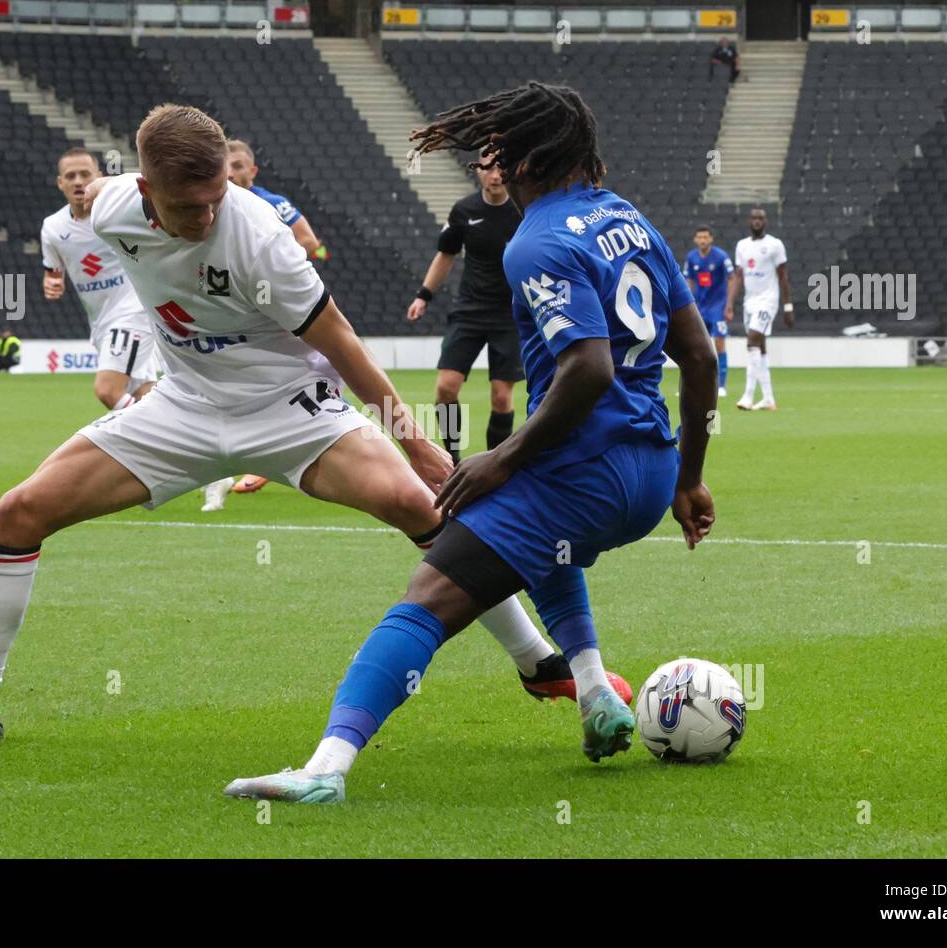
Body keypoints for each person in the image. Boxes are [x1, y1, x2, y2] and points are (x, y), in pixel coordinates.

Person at [0, 103, 628, 745]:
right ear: (145, 191)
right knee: (19, 511)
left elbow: (342, 345)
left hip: (288, 409)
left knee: (416, 505)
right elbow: (88, 196)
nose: (206, 216)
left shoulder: (259, 234)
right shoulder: (110, 205)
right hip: (181, 407)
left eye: (216, 199)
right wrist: (76, 206)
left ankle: (541, 665)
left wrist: (416, 440)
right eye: (187, 206)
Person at [224, 81, 718, 804]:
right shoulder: (630, 220)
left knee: (427, 596)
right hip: (651, 472)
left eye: (497, 154)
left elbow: (589, 368)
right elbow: (700, 357)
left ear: (524, 160)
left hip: (582, 470)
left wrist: (500, 457)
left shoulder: (537, 242)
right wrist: (689, 480)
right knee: (531, 540)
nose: (490, 168)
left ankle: (326, 769)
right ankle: (592, 691)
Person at [224, 139, 328, 499]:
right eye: (227, 165)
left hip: (276, 304)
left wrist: (263, 269)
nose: (232, 172)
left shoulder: (271, 203)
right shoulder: (214, 206)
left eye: (239, 165)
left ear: (252, 171)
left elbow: (309, 241)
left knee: (294, 372)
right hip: (239, 310)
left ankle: (283, 451)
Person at [407, 151, 523, 463]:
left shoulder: (523, 211)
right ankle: (452, 460)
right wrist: (424, 295)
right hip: (469, 311)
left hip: (510, 315)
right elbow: (445, 255)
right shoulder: (464, 210)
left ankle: (494, 465)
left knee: (501, 396)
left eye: (501, 168)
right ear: (477, 171)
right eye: (487, 168)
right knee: (446, 388)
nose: (495, 175)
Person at [41, 147, 159, 414]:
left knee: (108, 390)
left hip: (134, 311)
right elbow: (52, 274)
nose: (78, 181)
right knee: (144, 395)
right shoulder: (53, 227)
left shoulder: (116, 214)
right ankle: (177, 440)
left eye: (85, 174)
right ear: (60, 182)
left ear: (98, 176)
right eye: (70, 176)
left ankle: (149, 440)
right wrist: (51, 284)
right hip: (101, 323)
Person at [726, 208, 792, 411]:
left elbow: (783, 276)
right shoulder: (742, 246)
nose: (757, 221)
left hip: (768, 301)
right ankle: (768, 398)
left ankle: (747, 395)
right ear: (749, 221)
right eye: (754, 218)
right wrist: (730, 303)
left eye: (761, 218)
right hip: (750, 302)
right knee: (760, 348)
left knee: (752, 340)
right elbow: (738, 275)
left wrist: (788, 306)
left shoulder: (774, 245)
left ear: (766, 221)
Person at [681, 226, 734, 396]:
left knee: (719, 344)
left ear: (711, 239)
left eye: (705, 237)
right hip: (700, 307)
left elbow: (732, 278)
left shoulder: (721, 257)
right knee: (694, 346)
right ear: (696, 239)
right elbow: (688, 281)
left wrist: (729, 305)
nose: (702, 240)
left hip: (718, 307)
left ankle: (721, 385)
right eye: (699, 237)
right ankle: (692, 385)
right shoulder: (691, 258)